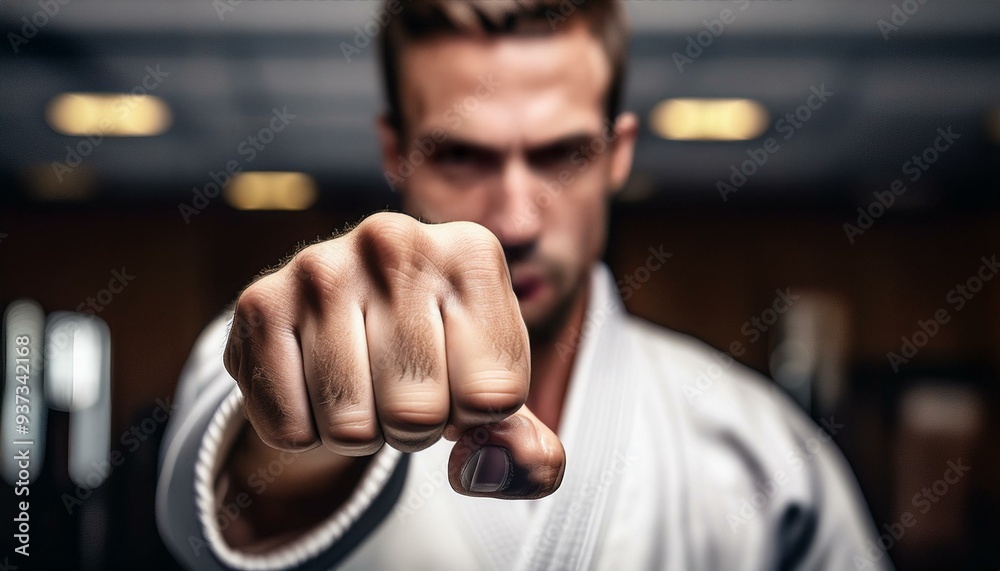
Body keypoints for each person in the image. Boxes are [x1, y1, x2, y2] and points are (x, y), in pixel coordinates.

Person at [157, 1, 888, 569]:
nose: (514, 218)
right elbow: (226, 504)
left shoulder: (762, 448)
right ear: (395, 153)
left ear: (617, 154)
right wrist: (295, 432)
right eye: (462, 157)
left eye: (560, 154)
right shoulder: (281, 344)